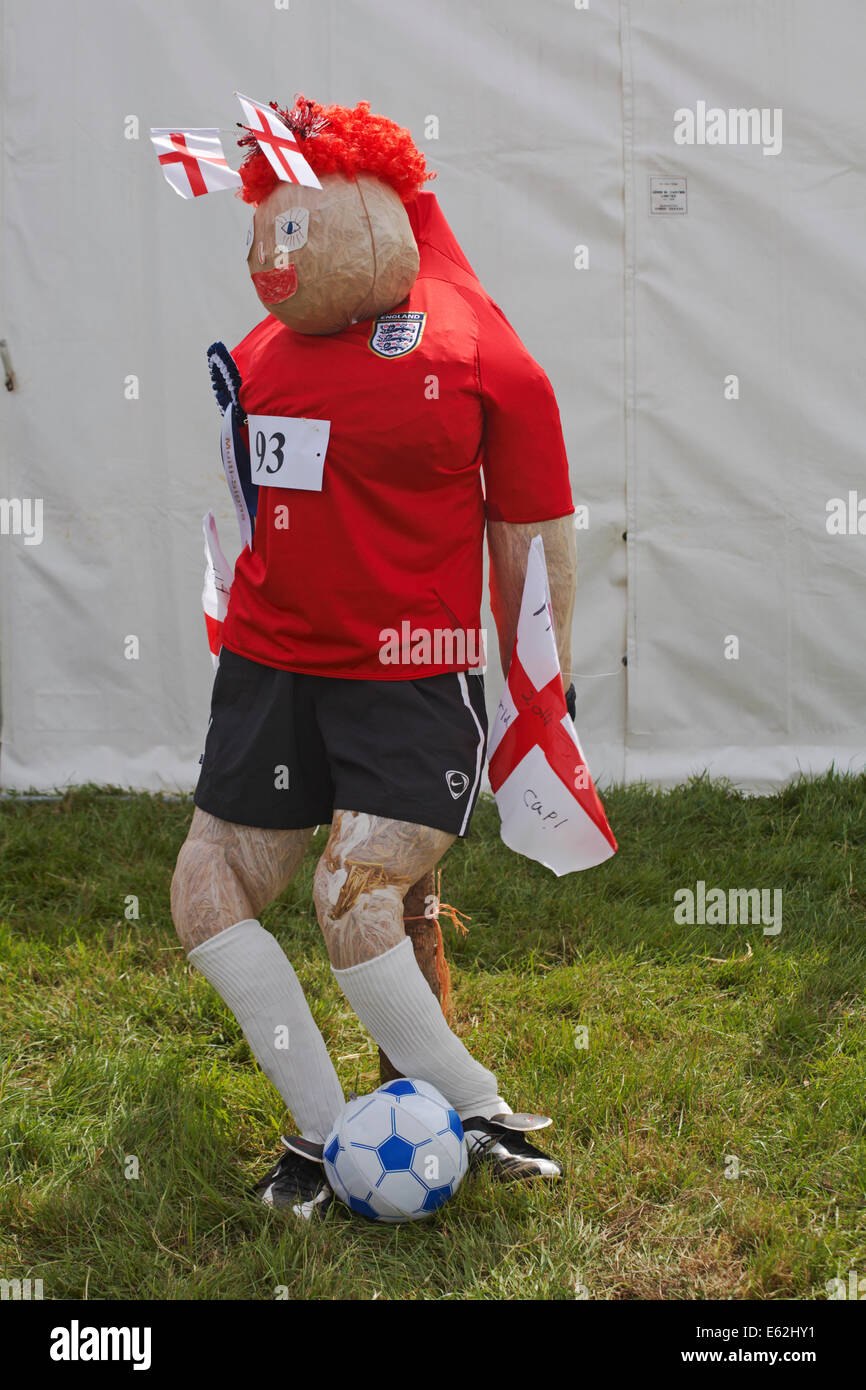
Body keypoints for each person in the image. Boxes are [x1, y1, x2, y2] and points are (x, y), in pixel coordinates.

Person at [170, 96, 577, 1218]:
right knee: (203, 896)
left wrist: (542, 686)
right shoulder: (258, 352)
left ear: (369, 210)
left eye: (291, 228)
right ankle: (315, 1130)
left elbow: (530, 526)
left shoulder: (471, 347)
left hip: (407, 666)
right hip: (271, 667)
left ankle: (474, 1107)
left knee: (358, 897)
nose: (267, 255)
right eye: (262, 229)